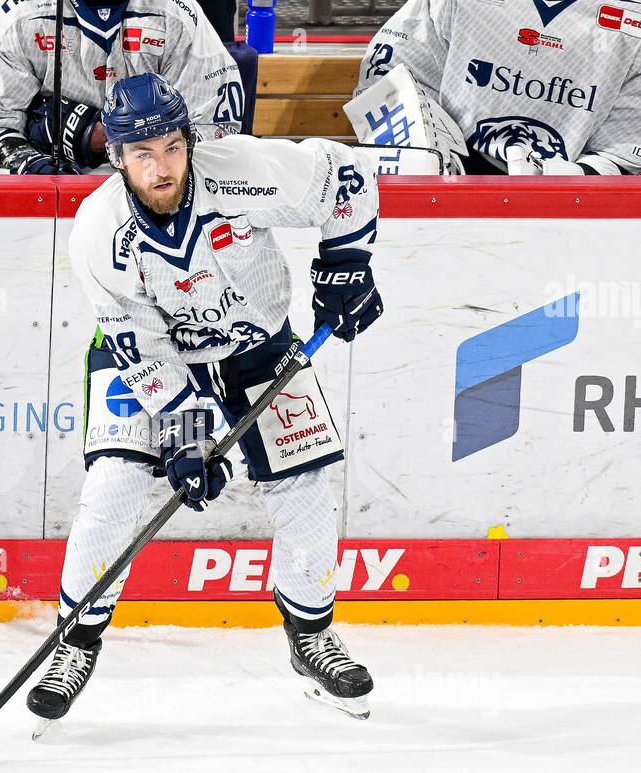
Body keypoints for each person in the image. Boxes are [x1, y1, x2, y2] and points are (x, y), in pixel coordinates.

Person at [28, 72, 383, 728]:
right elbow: (141, 348)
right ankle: (73, 644)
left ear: (189, 140)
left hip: (257, 347)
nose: (161, 167)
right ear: (118, 158)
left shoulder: (242, 168)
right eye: (142, 155)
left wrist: (347, 266)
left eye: (171, 147)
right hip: (147, 360)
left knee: (305, 487)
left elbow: (345, 174)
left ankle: (311, 636)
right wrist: (186, 435)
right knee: (113, 488)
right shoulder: (97, 232)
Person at [349, 0, 641, 174]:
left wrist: (575, 181)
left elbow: (633, 145)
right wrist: (436, 171)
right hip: (448, 192)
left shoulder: (636, 19)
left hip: (562, 221)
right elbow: (390, 80)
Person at [0, 0, 242, 175]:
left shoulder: (179, 13)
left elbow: (212, 131)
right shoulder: (14, 14)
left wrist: (105, 135)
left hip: (161, 189)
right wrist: (35, 171)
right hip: (55, 192)